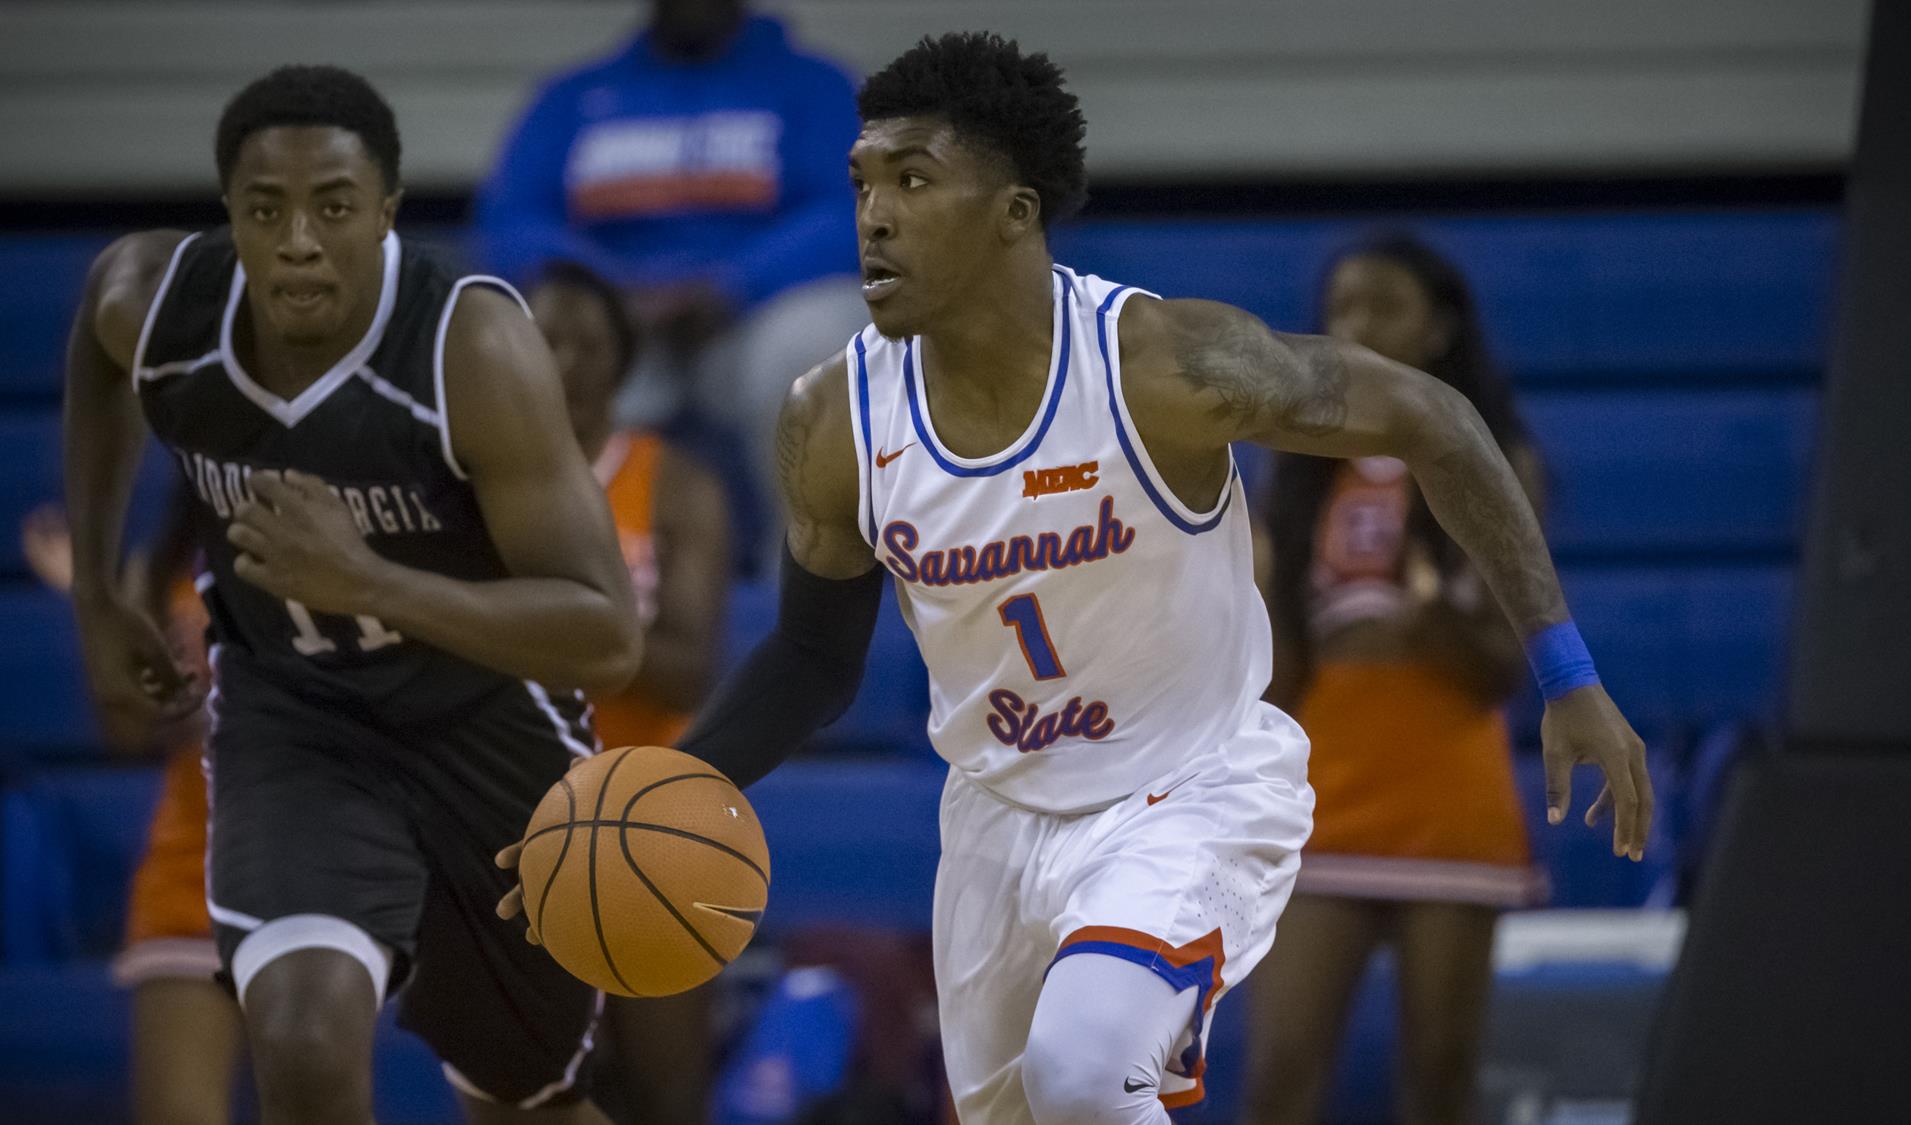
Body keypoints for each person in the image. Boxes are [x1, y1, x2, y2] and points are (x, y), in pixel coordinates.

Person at [499, 32, 1654, 1125]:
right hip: (996, 819)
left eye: (911, 181)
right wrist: (634, 804)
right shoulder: (833, 419)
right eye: (860, 184)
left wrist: (1566, 671)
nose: (873, 217)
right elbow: (810, 658)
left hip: (1185, 786)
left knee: (1087, 1067)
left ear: (1013, 215)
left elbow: (1436, 418)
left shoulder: (1158, 366)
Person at [64, 65, 640, 1125]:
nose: (296, 241)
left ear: (385, 211)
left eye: (332, 206)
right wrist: (98, 592)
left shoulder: (470, 348)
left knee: (524, 1103)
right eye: (264, 209)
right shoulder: (158, 304)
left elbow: (607, 637)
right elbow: (98, 356)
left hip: (488, 732)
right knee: (302, 1034)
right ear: (227, 212)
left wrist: (368, 579)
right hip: (300, 723)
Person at [1244, 233, 1549, 1125]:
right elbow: (1278, 678)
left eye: (1384, 306)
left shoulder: (1495, 465)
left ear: (1439, 328)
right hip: (1321, 790)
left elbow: (1500, 669)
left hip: (1448, 789)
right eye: (1342, 307)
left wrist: (1429, 610)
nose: (1357, 325)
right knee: (1280, 1072)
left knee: (1440, 1081)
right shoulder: (1295, 467)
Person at [477, 0, 866, 570]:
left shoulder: (813, 84)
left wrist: (729, 286)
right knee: (517, 339)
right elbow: (509, 221)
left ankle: (810, 583)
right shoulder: (575, 97)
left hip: (749, 323)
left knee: (817, 342)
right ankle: (558, 580)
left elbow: (849, 210)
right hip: (619, 327)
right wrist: (605, 292)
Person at [526, 260, 732, 1125]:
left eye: (587, 341)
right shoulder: (460, 488)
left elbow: (688, 666)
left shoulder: (679, 484)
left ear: (621, 361)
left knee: (663, 1096)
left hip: (652, 821)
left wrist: (547, 619)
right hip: (511, 817)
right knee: (531, 1093)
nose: (565, 359)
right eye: (543, 339)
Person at [22, 495, 245, 1125]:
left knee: (320, 1095)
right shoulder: (163, 567)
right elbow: (126, 733)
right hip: (188, 876)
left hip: (319, 875)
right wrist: (101, 615)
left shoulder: (349, 540)